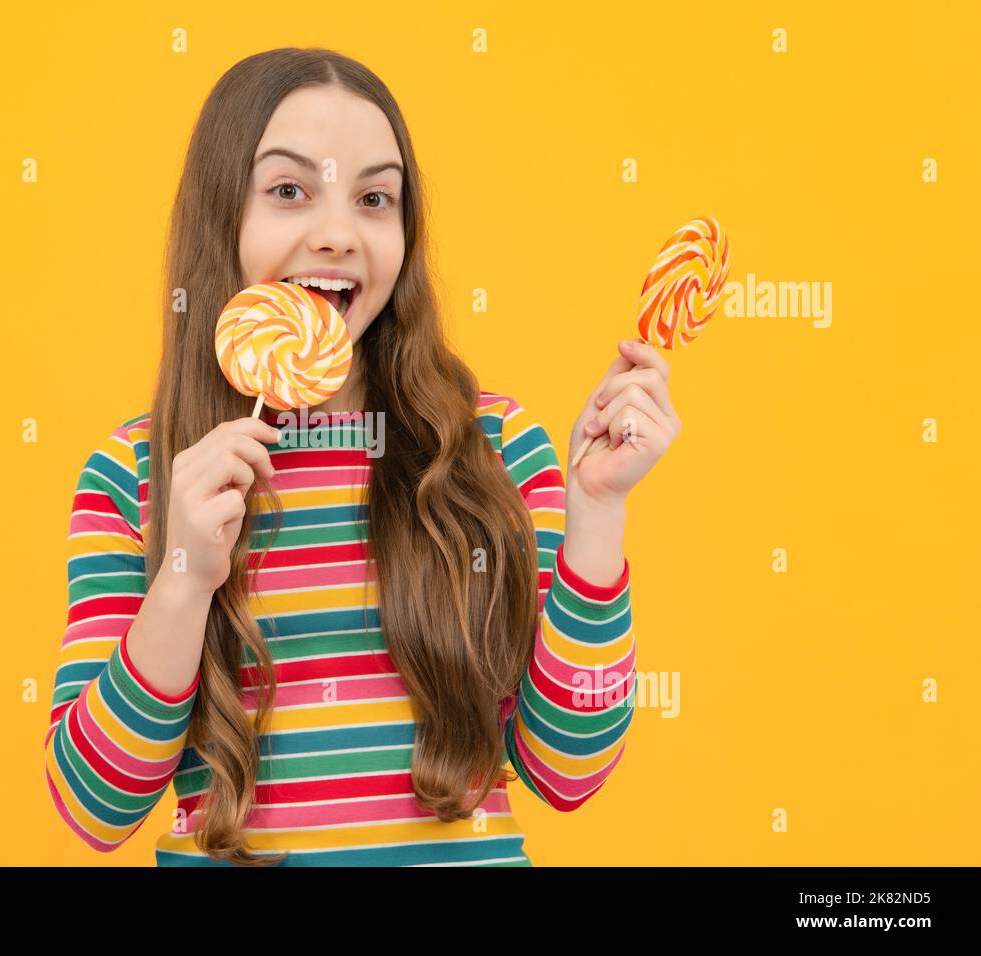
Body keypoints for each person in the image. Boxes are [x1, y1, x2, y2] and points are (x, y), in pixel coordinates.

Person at [43, 47, 680, 866]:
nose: (339, 234)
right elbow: (95, 809)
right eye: (288, 191)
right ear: (219, 219)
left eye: (375, 198)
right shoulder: (136, 474)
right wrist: (183, 577)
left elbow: (569, 767)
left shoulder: (494, 450)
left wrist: (599, 511)